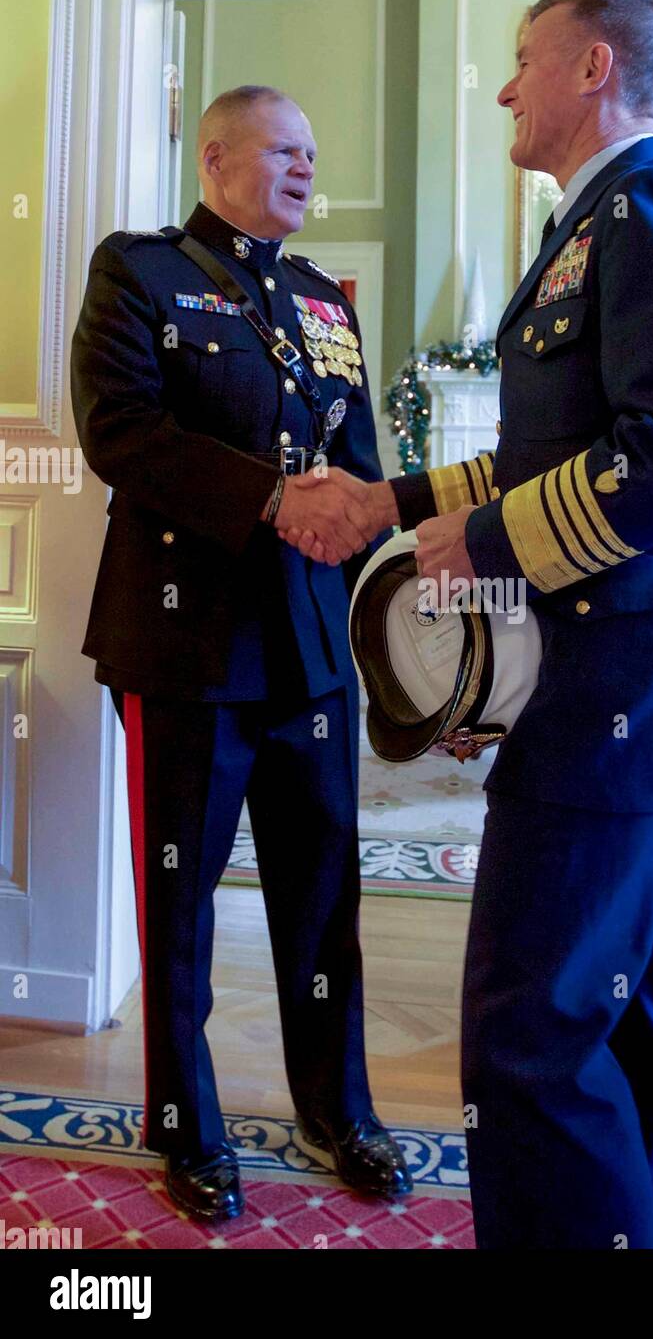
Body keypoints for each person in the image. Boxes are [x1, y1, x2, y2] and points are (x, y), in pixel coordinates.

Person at [285, 0, 653, 1249]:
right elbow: (550, 453)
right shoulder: (595, 225)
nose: (502, 89)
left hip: (625, 707)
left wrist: (486, 543)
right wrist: (393, 499)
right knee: (645, 1033)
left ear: (590, 68)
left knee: (532, 1034)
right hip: (623, 699)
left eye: (521, 63)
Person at [71, 85, 409, 1223]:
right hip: (185, 645)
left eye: (315, 151)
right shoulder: (140, 271)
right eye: (283, 148)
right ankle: (187, 1126)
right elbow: (119, 432)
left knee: (323, 896)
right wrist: (271, 498)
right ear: (215, 156)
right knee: (181, 900)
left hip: (308, 649)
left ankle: (337, 1108)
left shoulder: (324, 303)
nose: (307, 165)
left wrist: (409, 608)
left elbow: (357, 475)